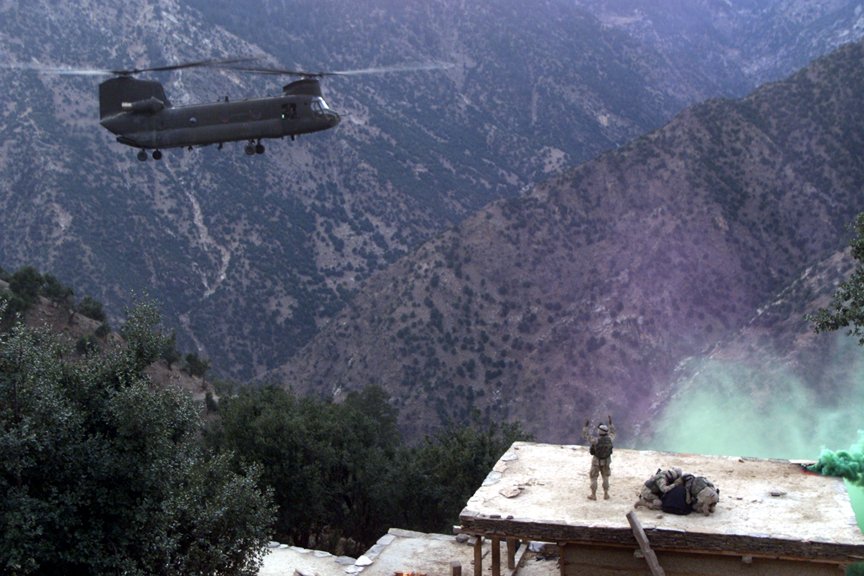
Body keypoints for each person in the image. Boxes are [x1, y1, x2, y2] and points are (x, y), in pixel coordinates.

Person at [581, 415, 616, 500]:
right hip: (607, 461)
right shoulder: (610, 439)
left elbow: (585, 435)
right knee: (605, 477)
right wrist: (611, 423)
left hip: (596, 461)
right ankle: (606, 494)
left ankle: (593, 495)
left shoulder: (595, 441)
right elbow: (613, 432)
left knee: (594, 477)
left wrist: (585, 426)